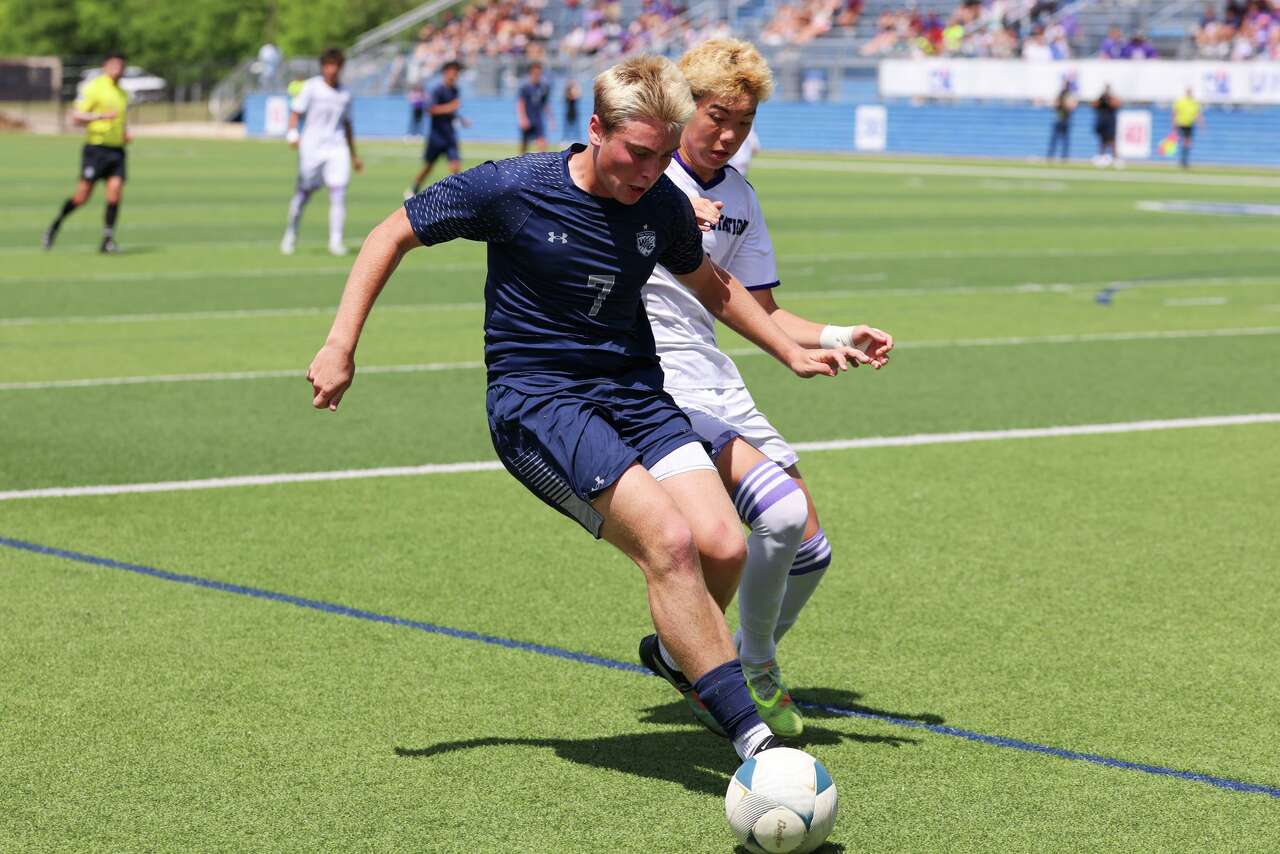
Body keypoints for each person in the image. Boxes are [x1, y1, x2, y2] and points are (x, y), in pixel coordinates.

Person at [306, 55, 863, 760]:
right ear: (596, 129)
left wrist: (788, 348)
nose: (650, 171)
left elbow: (715, 289)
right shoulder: (513, 187)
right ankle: (754, 743)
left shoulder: (659, 201)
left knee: (724, 545)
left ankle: (676, 655)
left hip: (633, 392)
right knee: (670, 543)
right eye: (637, 153)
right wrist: (340, 345)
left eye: (663, 157)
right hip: (542, 404)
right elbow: (393, 232)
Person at [642, 39, 892, 738]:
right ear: (683, 106)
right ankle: (747, 668)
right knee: (776, 517)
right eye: (716, 116)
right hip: (657, 381)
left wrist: (838, 333)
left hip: (717, 378)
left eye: (742, 124)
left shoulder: (741, 197)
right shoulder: (639, 176)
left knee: (810, 547)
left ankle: (680, 652)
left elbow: (763, 307)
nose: (727, 135)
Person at [43, 52, 131, 254]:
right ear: (105, 66)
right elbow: (75, 117)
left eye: (121, 65)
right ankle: (55, 225)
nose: (119, 69)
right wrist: (100, 116)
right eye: (115, 65)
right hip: (96, 149)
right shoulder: (94, 88)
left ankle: (108, 239)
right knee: (82, 197)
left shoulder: (123, 93)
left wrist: (125, 132)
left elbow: (121, 119)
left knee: (115, 191)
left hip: (117, 150)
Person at [281, 48, 363, 257]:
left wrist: (354, 155)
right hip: (312, 148)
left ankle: (336, 241)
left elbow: (348, 125)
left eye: (336, 65)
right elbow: (296, 113)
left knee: (338, 193)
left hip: (337, 148)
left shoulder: (345, 94)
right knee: (304, 194)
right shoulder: (311, 87)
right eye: (328, 65)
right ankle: (291, 233)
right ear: (322, 66)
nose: (332, 69)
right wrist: (292, 133)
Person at [407, 61, 470, 197]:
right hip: (436, 136)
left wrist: (461, 119)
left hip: (450, 135)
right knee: (428, 167)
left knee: (455, 166)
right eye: (453, 71)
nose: (455, 75)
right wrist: (450, 107)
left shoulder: (455, 90)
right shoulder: (437, 90)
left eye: (457, 72)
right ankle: (413, 188)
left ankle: (455, 196)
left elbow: (452, 110)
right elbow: (430, 109)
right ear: (446, 72)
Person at [517, 61, 552, 153]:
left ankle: (543, 164)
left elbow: (545, 104)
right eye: (535, 73)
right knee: (524, 144)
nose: (537, 75)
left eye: (539, 73)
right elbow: (521, 103)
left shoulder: (543, 87)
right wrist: (523, 119)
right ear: (530, 73)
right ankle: (520, 163)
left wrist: (551, 119)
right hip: (528, 118)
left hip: (538, 119)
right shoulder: (525, 87)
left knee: (542, 142)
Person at [1172, 87, 1203, 170]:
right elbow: (1175, 112)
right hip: (1181, 124)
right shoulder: (1181, 101)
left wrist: (1200, 124)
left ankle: (1183, 161)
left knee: (1187, 143)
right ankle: (1183, 161)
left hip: (1189, 125)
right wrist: (1174, 123)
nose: (1189, 93)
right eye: (1188, 92)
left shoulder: (1194, 102)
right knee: (1182, 142)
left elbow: (1197, 114)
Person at [1092, 85, 1120, 167]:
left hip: (1110, 122)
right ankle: (1102, 157)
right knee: (1103, 140)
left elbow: (1116, 104)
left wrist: (1109, 100)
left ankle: (1116, 158)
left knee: (1112, 140)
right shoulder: (1101, 97)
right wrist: (1101, 100)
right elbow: (1094, 105)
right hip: (1102, 121)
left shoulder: (1112, 98)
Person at [1047, 81, 1075, 161]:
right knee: (1054, 140)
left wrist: (1066, 103)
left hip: (1066, 120)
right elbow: (1053, 106)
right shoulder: (1060, 95)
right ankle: (1050, 156)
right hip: (1058, 119)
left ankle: (1064, 157)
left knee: (1065, 140)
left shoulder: (1070, 95)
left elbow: (1072, 107)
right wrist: (1058, 103)